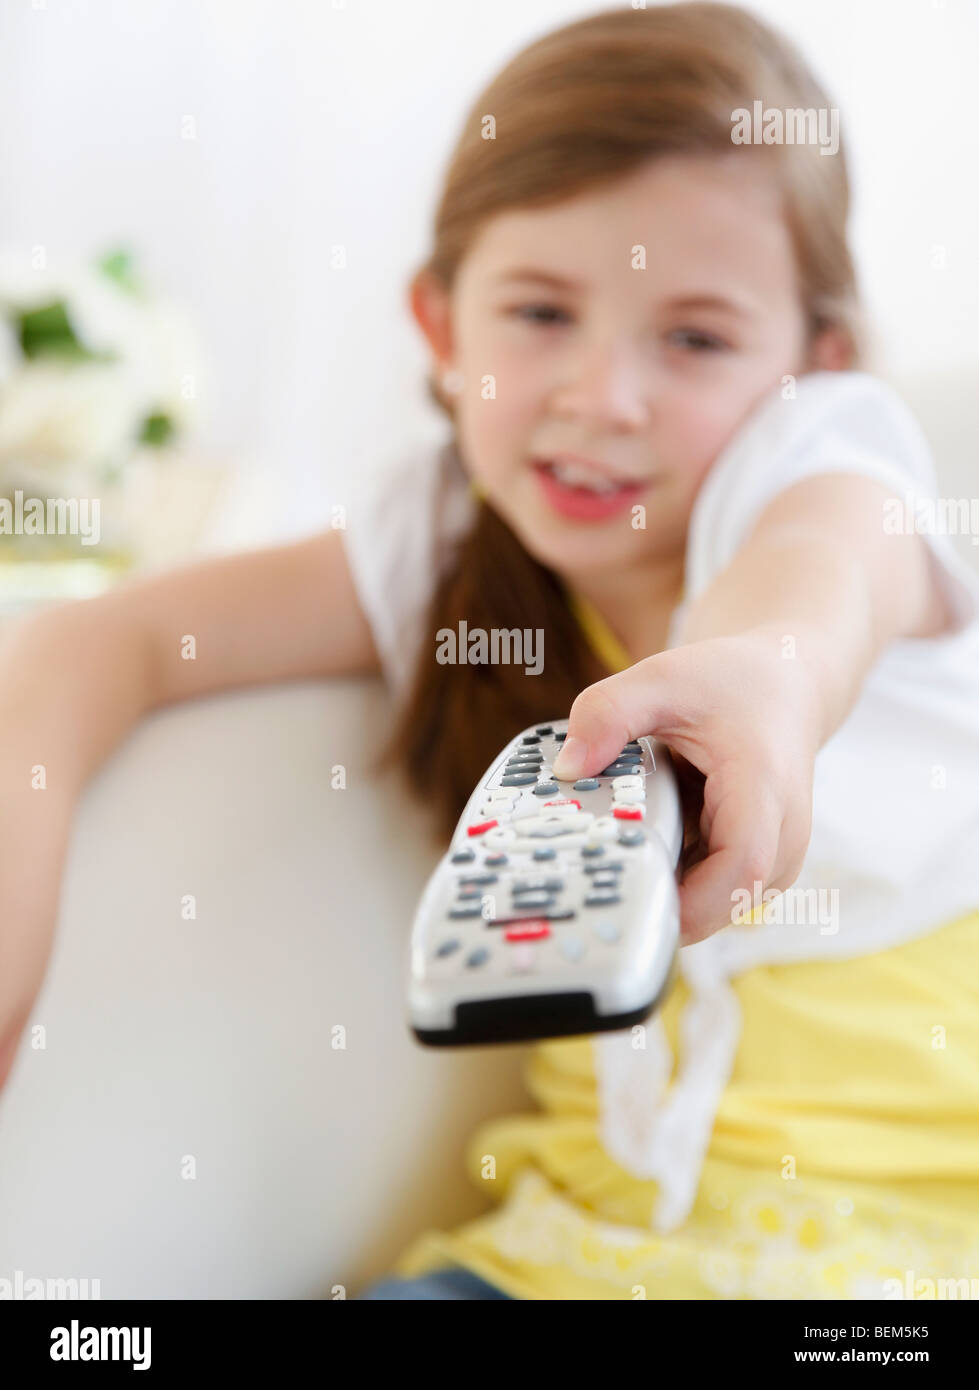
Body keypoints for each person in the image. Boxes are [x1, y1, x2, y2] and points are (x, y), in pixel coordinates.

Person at [2, 4, 977, 1301]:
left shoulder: (823, 469)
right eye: (539, 312)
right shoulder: (442, 540)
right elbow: (98, 642)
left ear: (817, 363)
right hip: (567, 1253)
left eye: (693, 336)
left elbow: (833, 569)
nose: (602, 395)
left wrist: (771, 679)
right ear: (443, 328)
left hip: (903, 1257)